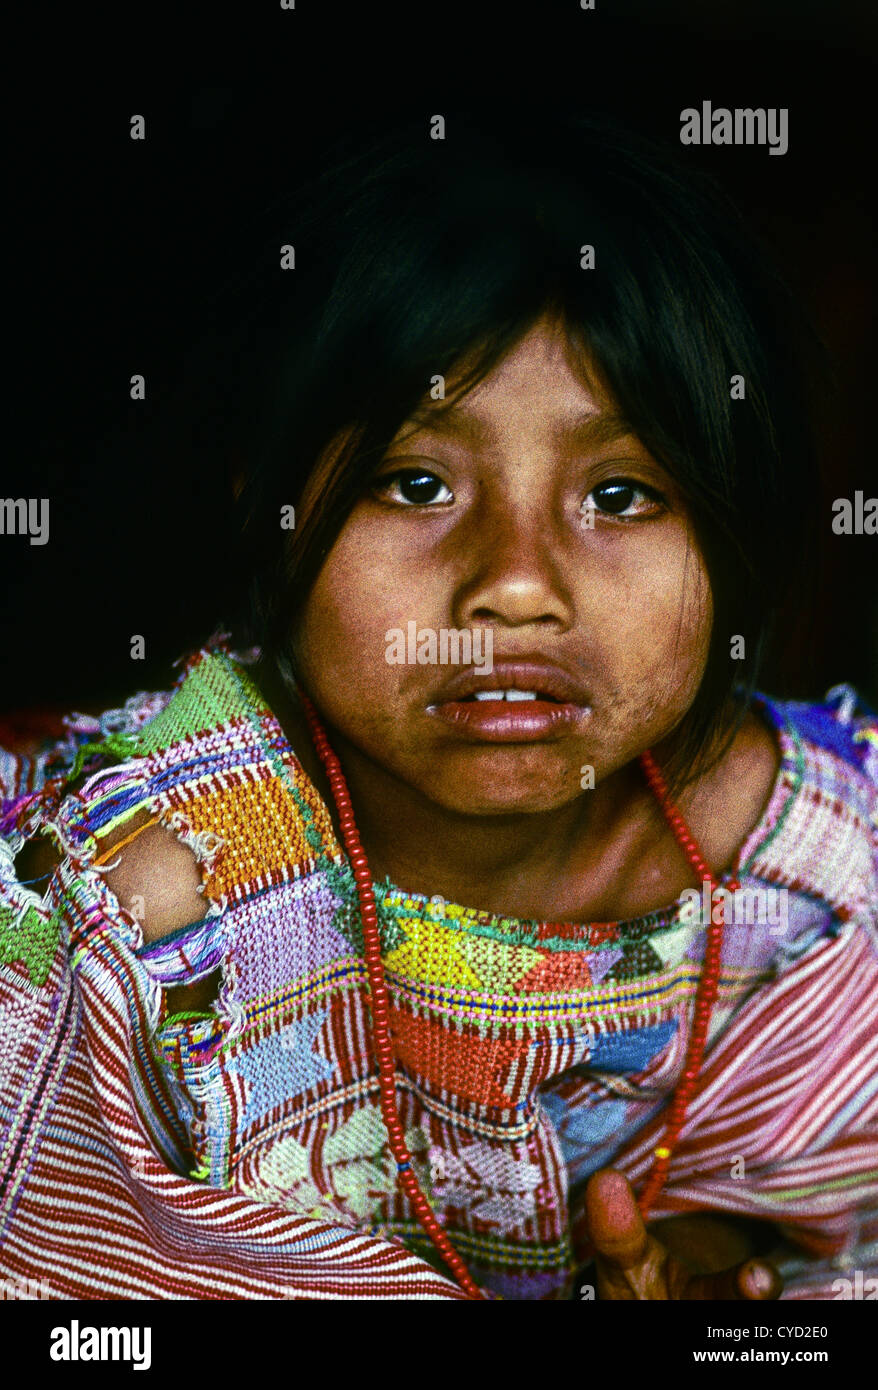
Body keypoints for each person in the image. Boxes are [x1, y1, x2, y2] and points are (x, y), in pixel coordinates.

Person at [1, 113, 875, 1302]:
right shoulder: (131, 915)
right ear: (273, 509)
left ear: (734, 541)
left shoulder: (821, 876)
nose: (513, 583)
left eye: (619, 494)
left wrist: (723, 1278)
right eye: (415, 483)